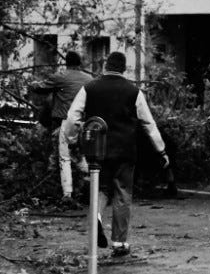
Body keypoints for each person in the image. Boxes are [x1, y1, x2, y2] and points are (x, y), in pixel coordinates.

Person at [67, 52, 169, 257]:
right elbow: (149, 123)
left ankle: (96, 215)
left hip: (98, 149)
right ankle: (119, 243)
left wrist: (72, 140)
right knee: (122, 193)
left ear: (106, 65)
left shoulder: (90, 88)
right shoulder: (133, 92)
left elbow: (72, 116)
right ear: (124, 68)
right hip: (125, 149)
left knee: (101, 188)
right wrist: (161, 149)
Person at [30, 51, 93, 198]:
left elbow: (40, 88)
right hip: (83, 124)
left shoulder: (60, 77)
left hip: (63, 123)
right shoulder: (89, 79)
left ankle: (63, 193)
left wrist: (32, 84)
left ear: (66, 63)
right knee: (80, 155)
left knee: (60, 157)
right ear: (79, 63)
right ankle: (86, 188)